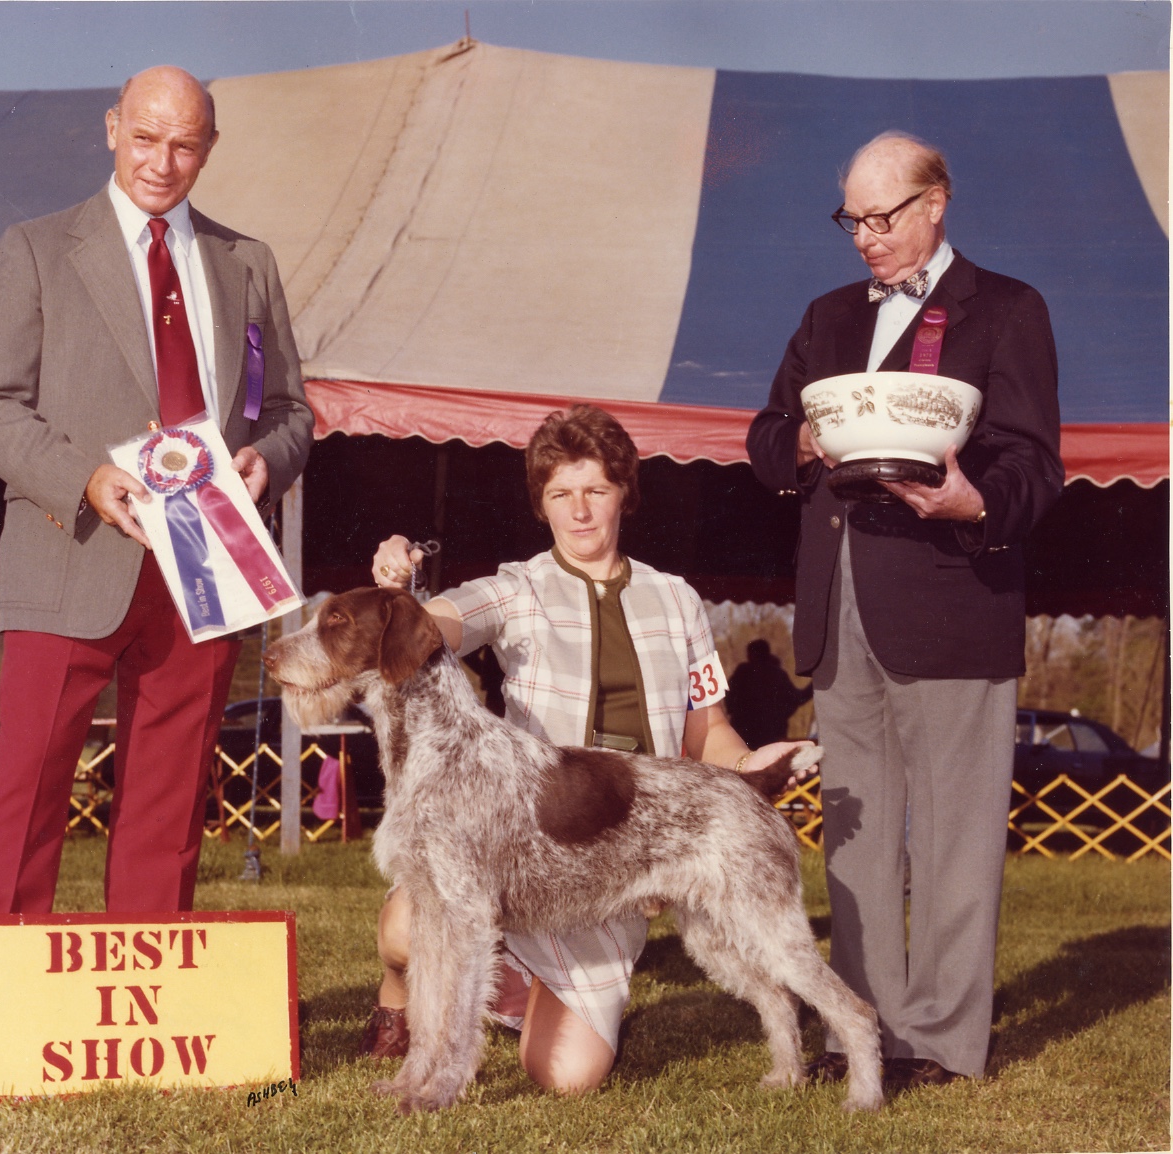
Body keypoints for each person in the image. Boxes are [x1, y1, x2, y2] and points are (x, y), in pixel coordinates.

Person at [0, 66, 314, 1073]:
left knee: (169, 793)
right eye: (144, 138)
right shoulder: (34, 249)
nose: (162, 162)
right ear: (111, 130)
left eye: (184, 144)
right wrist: (89, 476)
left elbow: (289, 415)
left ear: (210, 146)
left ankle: (141, 1030)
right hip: (73, 549)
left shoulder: (248, 265)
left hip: (205, 569)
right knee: (25, 789)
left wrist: (262, 462)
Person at [364, 404, 816, 1094]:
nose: (578, 512)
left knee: (566, 1076)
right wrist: (401, 592)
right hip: (518, 840)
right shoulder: (515, 589)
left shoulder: (677, 601)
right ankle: (400, 996)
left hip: (613, 850)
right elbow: (441, 624)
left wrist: (742, 766)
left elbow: (708, 729)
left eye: (595, 491)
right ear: (540, 506)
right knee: (406, 926)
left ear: (623, 497)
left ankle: (511, 988)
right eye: (559, 495)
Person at [746, 132, 1063, 1088]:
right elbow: (763, 440)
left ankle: (942, 1039)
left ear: (937, 204)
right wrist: (801, 440)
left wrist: (975, 503)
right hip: (839, 605)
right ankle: (864, 1027)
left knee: (956, 839)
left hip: (951, 601)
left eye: (881, 218)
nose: (864, 238)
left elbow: (1032, 465)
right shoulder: (826, 317)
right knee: (856, 841)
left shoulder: (1006, 310)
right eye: (851, 218)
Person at [726, 639, 814, 749]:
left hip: (746, 734)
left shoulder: (742, 673)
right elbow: (797, 699)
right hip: (770, 735)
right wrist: (814, 684)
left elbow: (728, 700)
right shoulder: (776, 674)